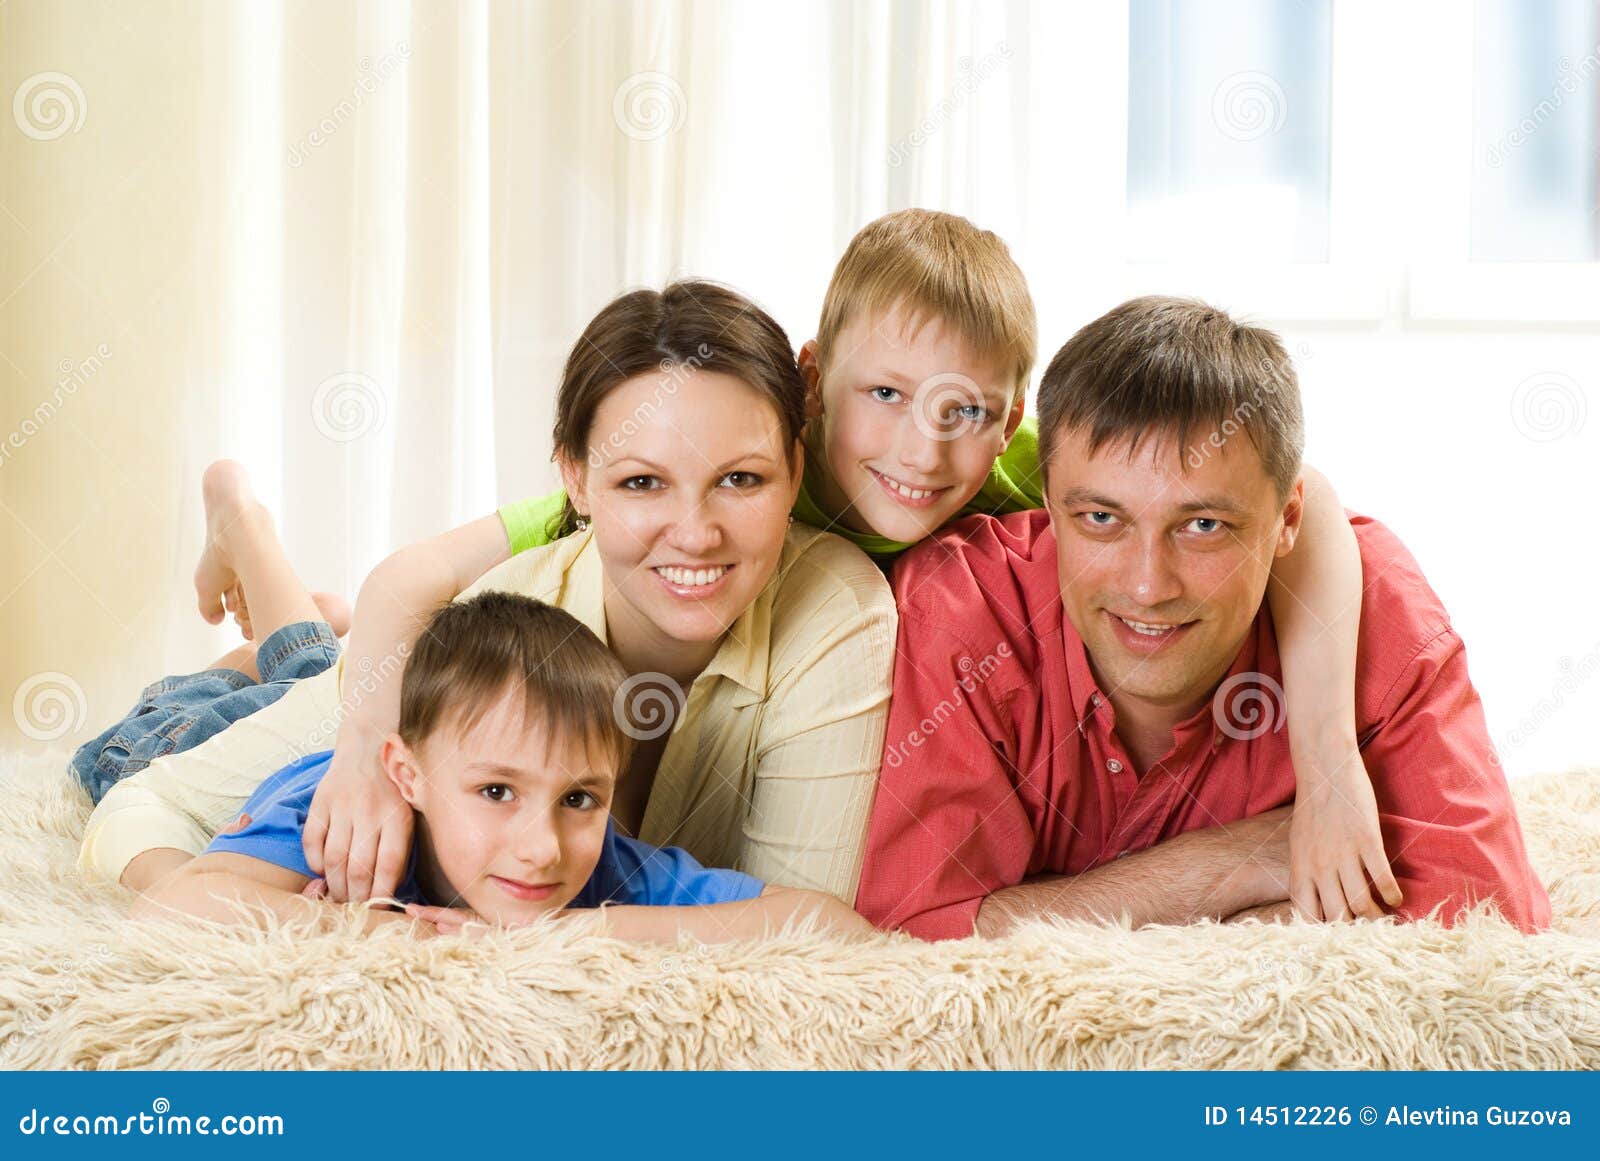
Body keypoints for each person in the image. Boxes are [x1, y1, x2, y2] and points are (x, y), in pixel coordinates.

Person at [78, 282, 896, 914]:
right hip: (218, 711)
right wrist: (250, 907)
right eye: (642, 481)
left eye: (741, 479)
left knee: (308, 658)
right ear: (574, 476)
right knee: (186, 725)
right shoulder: (485, 633)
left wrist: (570, 934)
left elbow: (801, 937)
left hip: (349, 657)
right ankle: (247, 534)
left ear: (796, 467)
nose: (696, 532)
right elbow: (141, 809)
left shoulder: (838, 613)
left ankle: (287, 613)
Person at [854, 295, 1552, 939]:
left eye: (1204, 525)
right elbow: (911, 937)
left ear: (1288, 521)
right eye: (1100, 518)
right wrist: (1238, 860)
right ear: (1047, 505)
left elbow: (1486, 920)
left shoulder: (1374, 608)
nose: (1148, 584)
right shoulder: (962, 608)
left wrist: (1077, 914)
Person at [130, 591, 868, 941]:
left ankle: (309, 626)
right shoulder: (345, 828)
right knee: (212, 713)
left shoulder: (605, 866)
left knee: (307, 652)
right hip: (188, 723)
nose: (543, 846)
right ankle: (257, 587)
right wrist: (404, 937)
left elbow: (830, 925)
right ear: (407, 776)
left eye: (580, 796)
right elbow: (169, 906)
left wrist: (577, 936)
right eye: (495, 790)